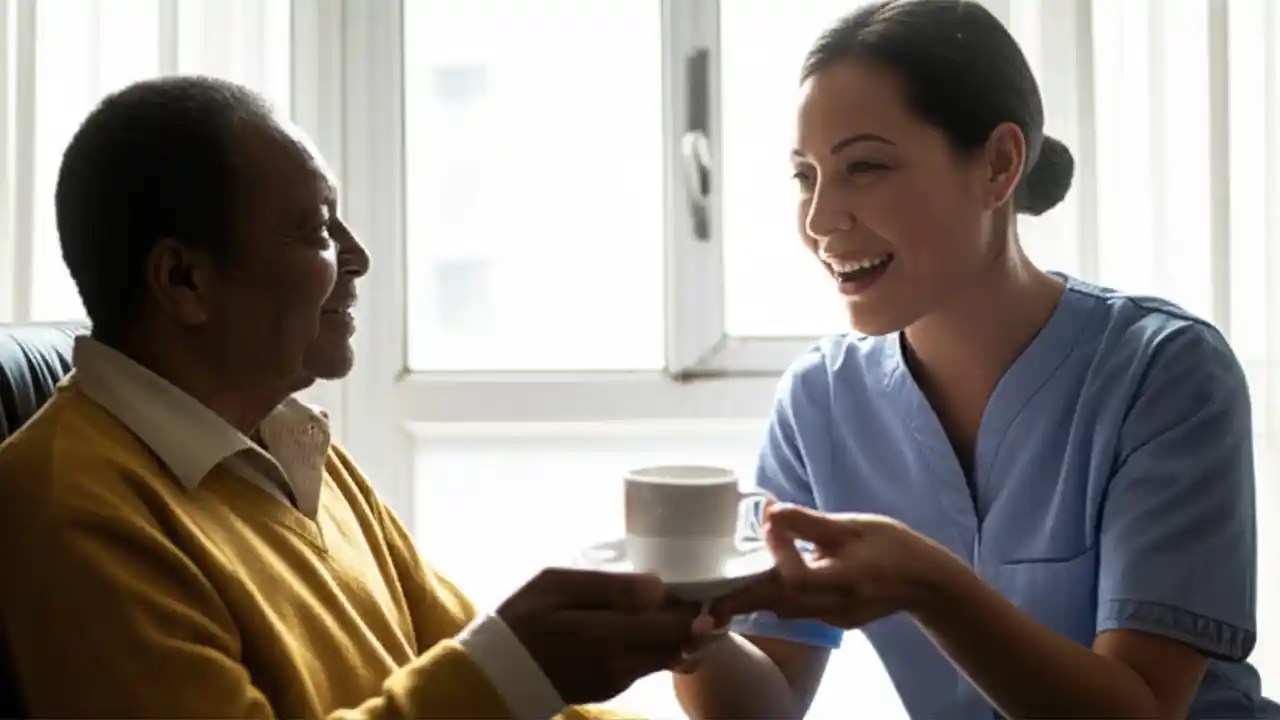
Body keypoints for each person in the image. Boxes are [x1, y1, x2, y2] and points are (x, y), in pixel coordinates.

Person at [0, 76, 713, 719]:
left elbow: (497, 686)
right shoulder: (69, 504)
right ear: (184, 279)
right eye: (314, 228)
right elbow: (498, 682)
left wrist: (545, 665)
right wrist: (519, 667)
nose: (357, 257)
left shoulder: (293, 448)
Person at [673, 1, 1278, 718]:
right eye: (806, 176)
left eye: (864, 166)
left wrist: (927, 584)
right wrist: (689, 631)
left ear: (997, 165)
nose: (820, 219)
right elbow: (763, 703)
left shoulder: (1166, 373)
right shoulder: (819, 403)